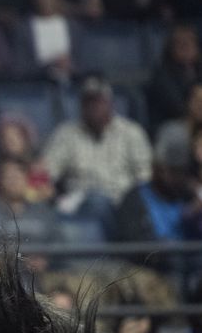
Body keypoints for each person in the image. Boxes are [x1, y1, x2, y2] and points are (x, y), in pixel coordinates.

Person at [42, 77, 152, 234]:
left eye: (99, 102)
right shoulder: (66, 134)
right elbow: (46, 171)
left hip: (123, 206)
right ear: (81, 105)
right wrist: (44, 185)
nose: (94, 107)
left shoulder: (131, 132)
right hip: (80, 205)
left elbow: (145, 178)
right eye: (89, 102)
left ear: (110, 104)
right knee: (91, 204)